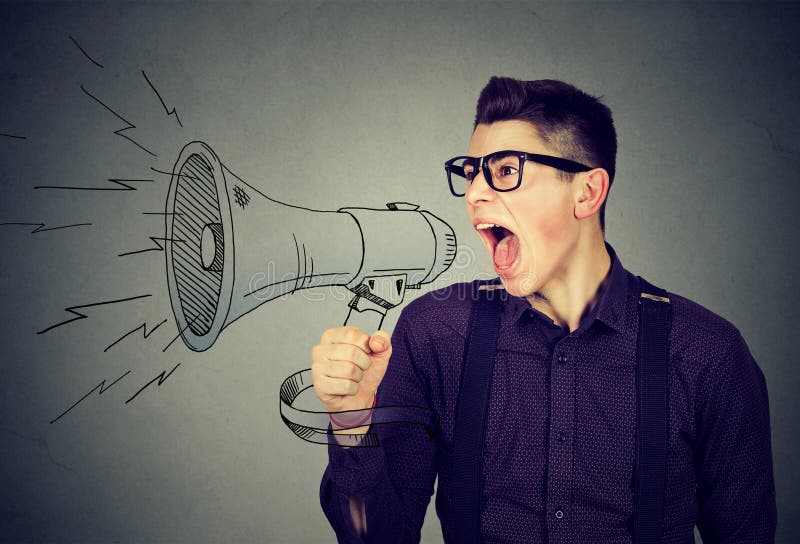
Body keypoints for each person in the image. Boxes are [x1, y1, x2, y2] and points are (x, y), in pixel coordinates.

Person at [312, 77, 777, 543]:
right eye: (472, 172)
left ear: (587, 192)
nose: (474, 194)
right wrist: (352, 421)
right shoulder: (435, 332)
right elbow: (369, 535)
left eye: (505, 170)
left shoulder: (706, 353)